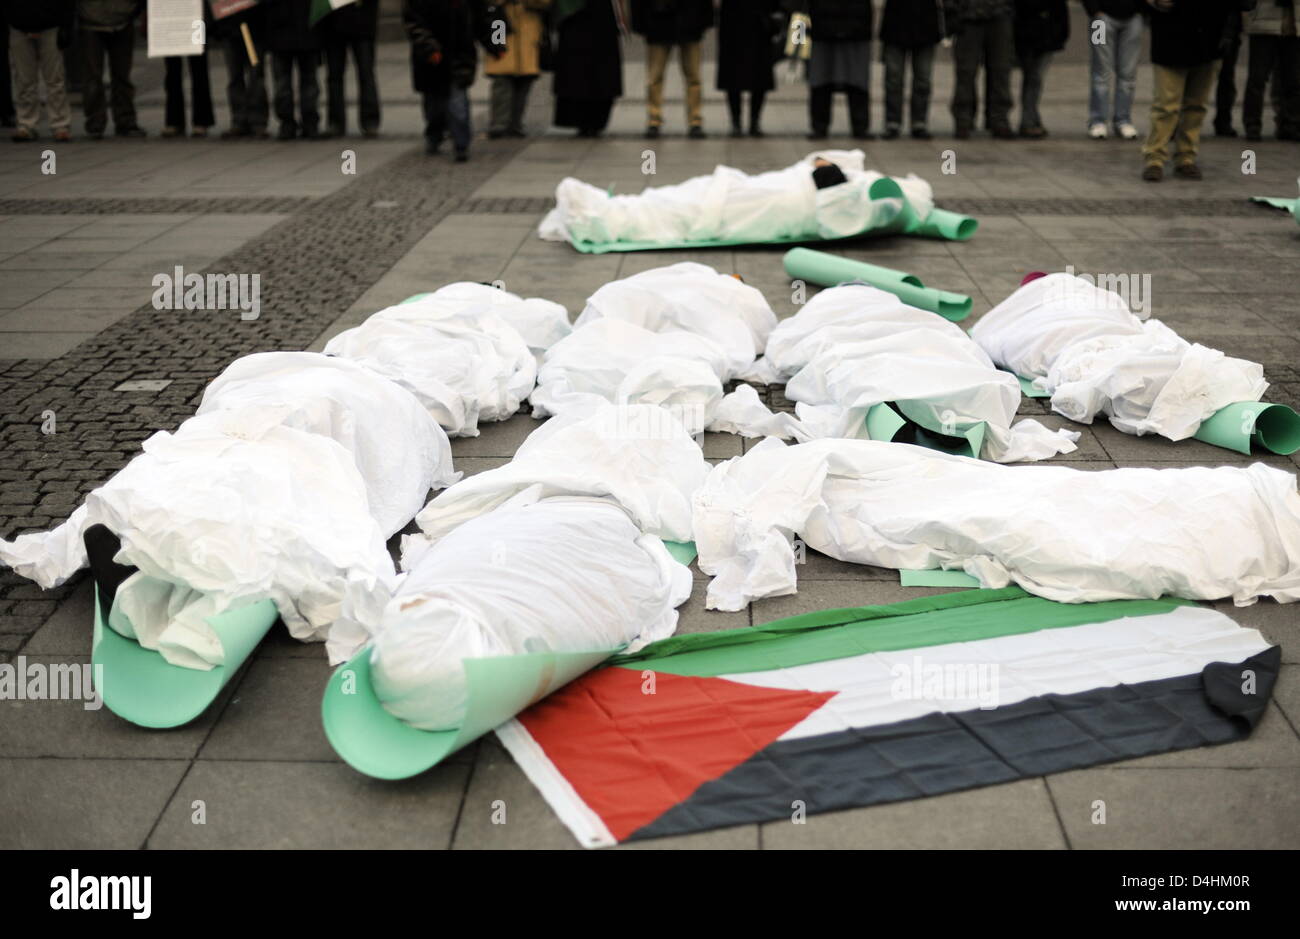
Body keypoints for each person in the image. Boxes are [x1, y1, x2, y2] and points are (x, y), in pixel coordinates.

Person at [1141, 0, 1252, 182]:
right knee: (1166, 105)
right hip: (1170, 38)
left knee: (1196, 106)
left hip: (1210, 39)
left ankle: (1186, 157)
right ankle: (1154, 159)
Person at [403, 0, 477, 160]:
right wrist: (429, 48)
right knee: (434, 105)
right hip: (432, 60)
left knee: (458, 103)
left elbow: (484, 14)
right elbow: (413, 21)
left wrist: (497, 43)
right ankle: (434, 135)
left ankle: (461, 144)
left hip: (459, 56)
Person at [631, 0, 713, 138]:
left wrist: (705, 19)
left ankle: (693, 120)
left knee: (691, 76)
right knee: (657, 76)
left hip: (686, 21)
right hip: (662, 21)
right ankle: (656, 119)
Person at [804, 0, 876, 139]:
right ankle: (820, 126)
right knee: (821, 82)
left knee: (857, 83)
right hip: (822, 35)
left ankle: (859, 126)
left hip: (854, 36)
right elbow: (802, 9)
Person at [552, 0, 623, 137]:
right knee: (578, 72)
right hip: (579, 20)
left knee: (596, 72)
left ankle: (592, 121)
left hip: (598, 21)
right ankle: (586, 121)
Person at [6, 0, 74, 142]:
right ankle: (26, 123)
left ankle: (60, 124)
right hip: (19, 26)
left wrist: (66, 27)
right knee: (24, 79)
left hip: (50, 25)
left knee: (55, 79)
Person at [77, 0, 145, 138]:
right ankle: (96, 121)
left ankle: (124, 120)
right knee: (93, 77)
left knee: (122, 75)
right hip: (91, 20)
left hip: (123, 19)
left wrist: (135, 10)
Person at [947, 0, 1015, 138]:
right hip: (968, 16)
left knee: (1001, 70)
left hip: (1000, 14)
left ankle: (999, 118)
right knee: (966, 71)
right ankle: (963, 119)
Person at [484, 0, 551, 138]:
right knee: (501, 80)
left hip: (528, 34)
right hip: (500, 27)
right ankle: (499, 123)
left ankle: (515, 124)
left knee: (524, 82)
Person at [879, 0, 944, 140]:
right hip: (895, 25)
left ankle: (919, 123)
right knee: (893, 79)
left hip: (925, 24)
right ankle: (892, 123)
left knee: (923, 79)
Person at [716, 0, 779, 138]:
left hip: (760, 25)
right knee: (733, 77)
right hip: (732, 25)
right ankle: (736, 121)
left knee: (759, 77)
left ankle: (754, 121)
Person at [1082, 0, 1143, 139]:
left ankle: (1123, 119)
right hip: (1101, 20)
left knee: (1128, 73)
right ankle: (1097, 120)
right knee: (1100, 71)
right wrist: (1093, 9)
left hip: (1132, 18)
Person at [321, 0, 380, 137]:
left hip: (362, 22)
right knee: (335, 76)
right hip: (334, 23)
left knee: (366, 74)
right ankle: (336, 122)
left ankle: (370, 121)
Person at [1242, 0, 1300, 141]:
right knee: (1257, 78)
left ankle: (1291, 125)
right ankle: (1252, 125)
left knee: (1294, 80)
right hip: (1263, 23)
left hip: (1294, 25)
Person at [266, 0, 321, 139]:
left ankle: (305, 122)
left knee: (305, 82)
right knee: (285, 84)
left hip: (305, 31)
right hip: (284, 32)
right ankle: (289, 122)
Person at [1012, 0, 1067, 137]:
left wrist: (1060, 35)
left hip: (1046, 35)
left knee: (1034, 79)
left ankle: (1031, 119)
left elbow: (1060, 10)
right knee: (1033, 79)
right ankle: (1029, 121)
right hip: (1026, 35)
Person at [213, 2, 269, 138]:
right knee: (235, 77)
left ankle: (257, 120)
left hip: (252, 30)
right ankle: (238, 120)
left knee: (255, 76)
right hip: (230, 30)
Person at [162, 40, 215, 137]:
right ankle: (174, 120)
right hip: (169, 27)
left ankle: (201, 120)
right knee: (172, 72)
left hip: (195, 26)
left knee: (199, 70)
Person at [1213, 1, 1243, 134]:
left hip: (1228, 25)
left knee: (1226, 76)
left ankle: (1223, 120)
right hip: (1204, 24)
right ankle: (1223, 121)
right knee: (1226, 77)